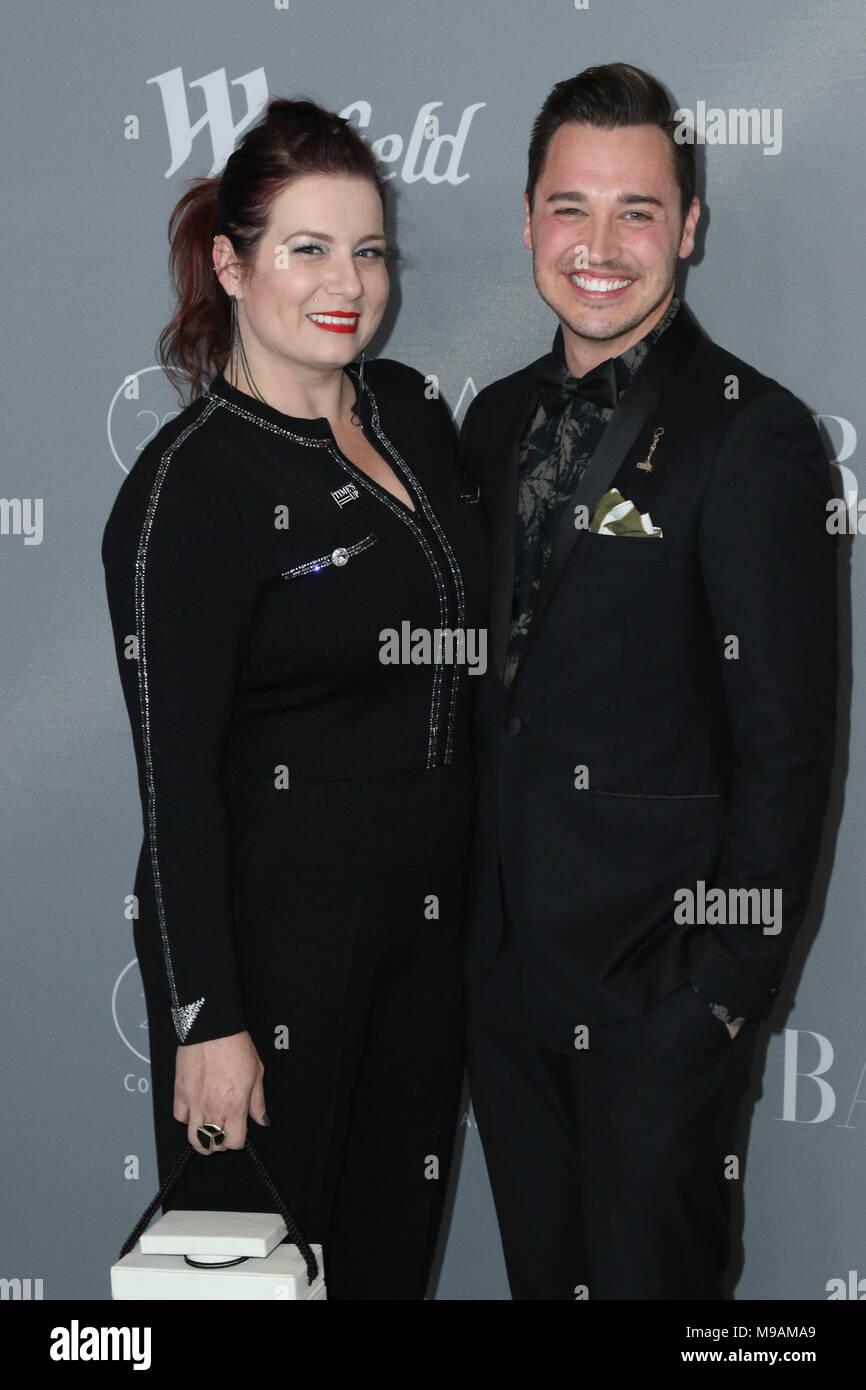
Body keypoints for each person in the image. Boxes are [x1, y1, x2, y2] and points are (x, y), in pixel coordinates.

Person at [460, 63, 838, 1299]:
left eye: (636, 211)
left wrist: (715, 1004)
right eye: (570, 208)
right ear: (527, 220)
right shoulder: (491, 424)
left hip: (655, 1003)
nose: (599, 246)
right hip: (505, 989)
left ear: (687, 227)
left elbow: (787, 751)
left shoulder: (753, 434)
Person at [102, 98, 488, 1300]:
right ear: (232, 262)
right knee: (244, 1290)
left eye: (367, 250)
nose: (347, 282)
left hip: (426, 950)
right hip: (272, 964)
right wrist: (207, 1020)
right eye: (306, 249)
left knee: (381, 1276)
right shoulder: (187, 492)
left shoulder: (417, 414)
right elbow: (173, 787)